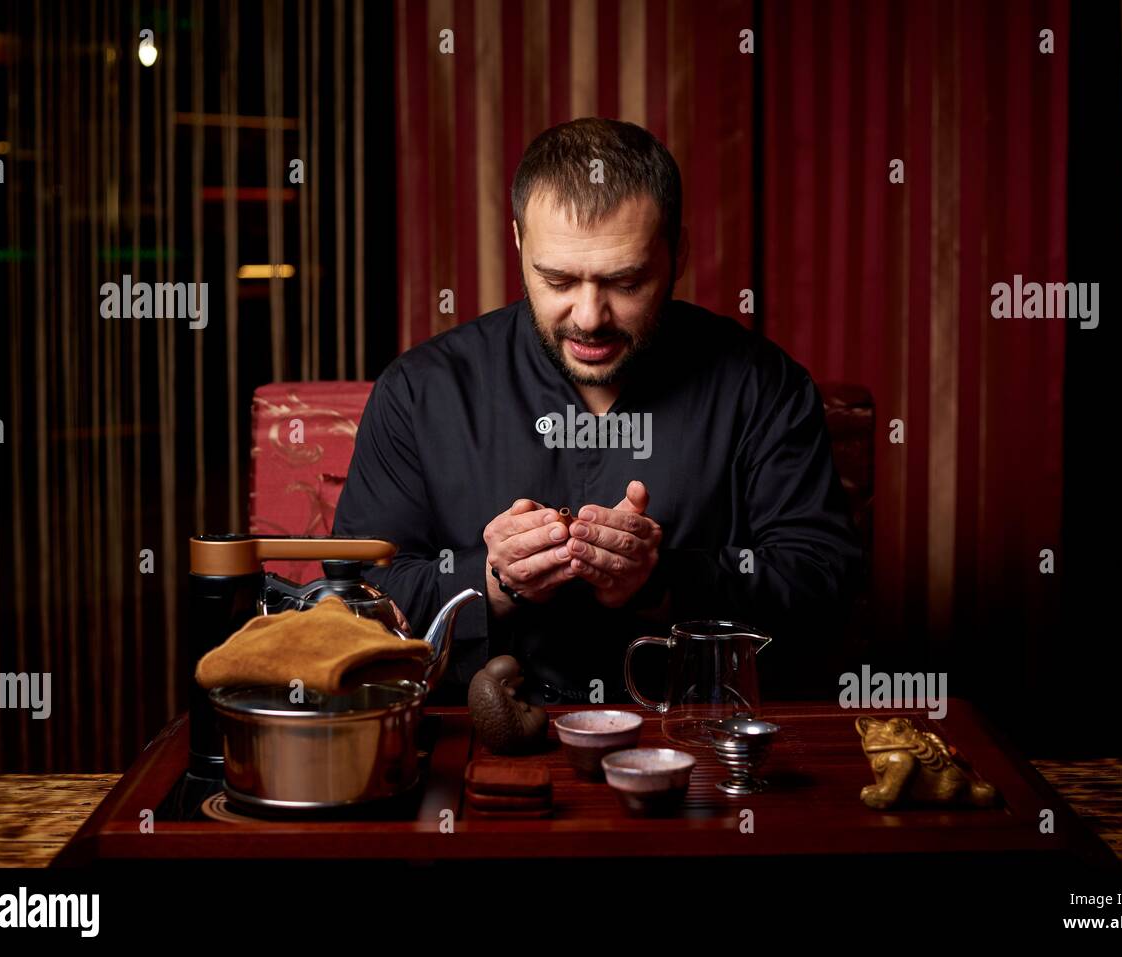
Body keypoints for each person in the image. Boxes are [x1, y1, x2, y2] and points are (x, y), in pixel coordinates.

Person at [333, 117, 860, 705]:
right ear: (517, 243)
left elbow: (824, 586)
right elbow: (353, 598)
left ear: (678, 253)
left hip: (693, 743)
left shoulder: (765, 386)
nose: (589, 316)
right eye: (557, 279)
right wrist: (490, 580)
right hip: (473, 745)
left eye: (626, 282)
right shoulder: (419, 390)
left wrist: (664, 582)